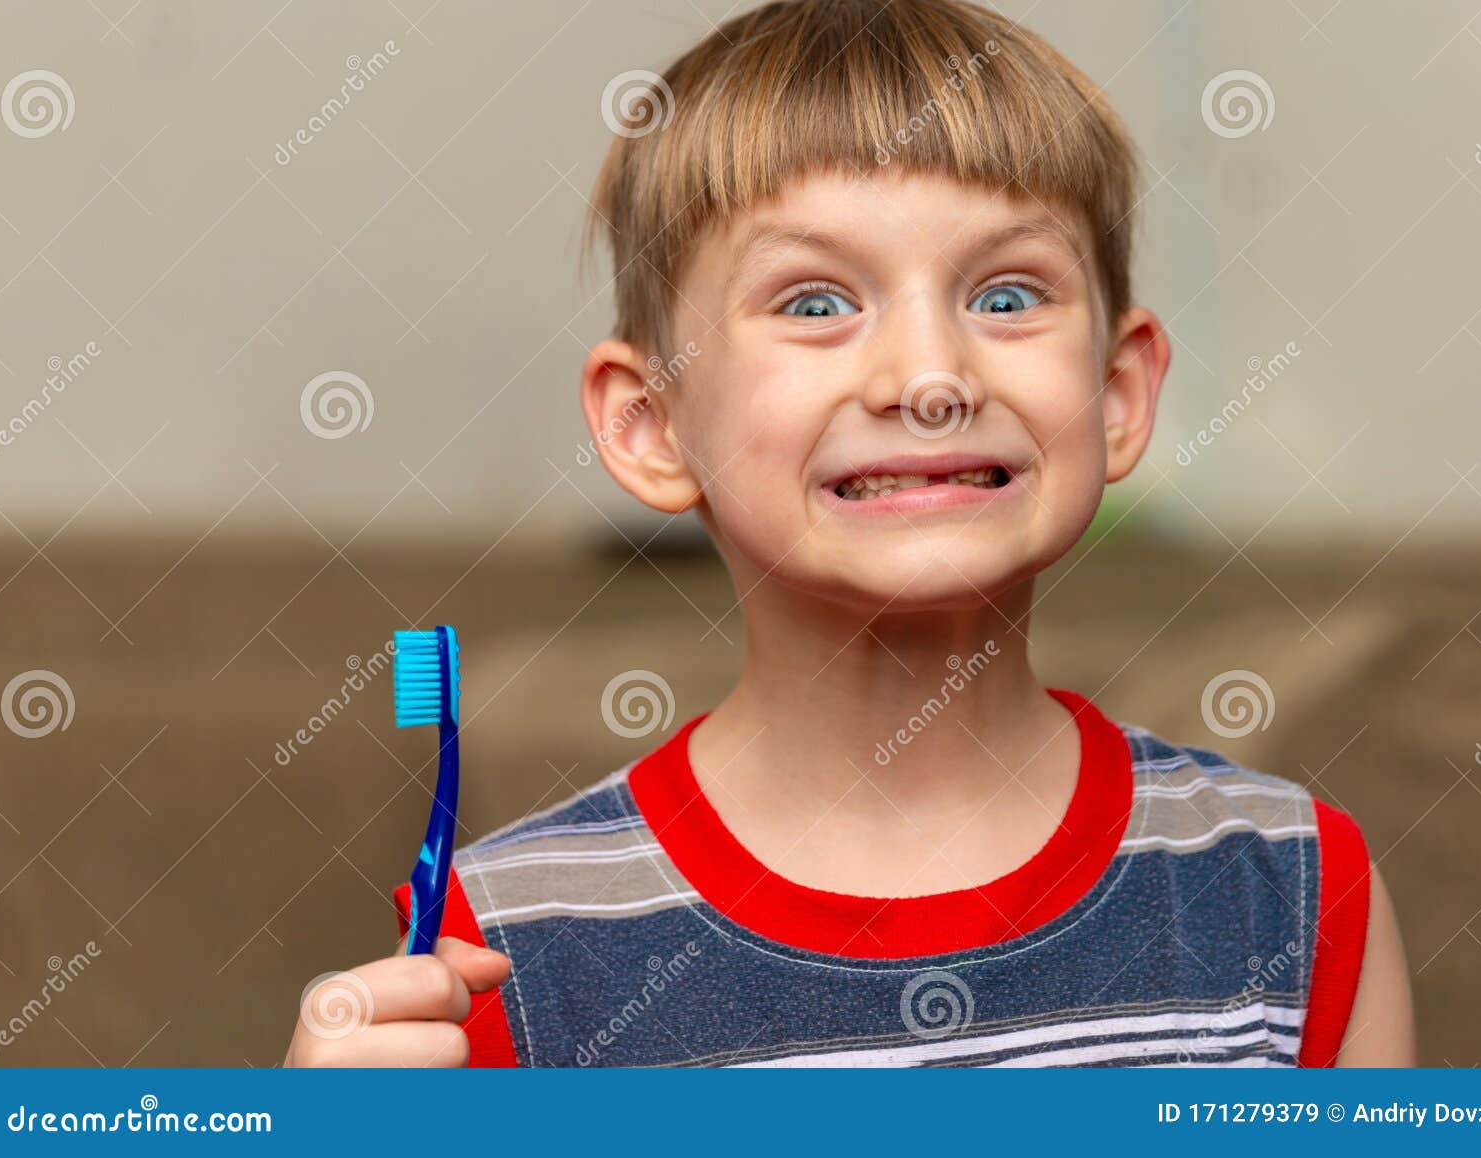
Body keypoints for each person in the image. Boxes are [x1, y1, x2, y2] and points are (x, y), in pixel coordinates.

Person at [285, 0, 1414, 1069]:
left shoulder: (1297, 894)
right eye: (816, 303)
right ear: (652, 425)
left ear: (1116, 396)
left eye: (1008, 296)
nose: (928, 378)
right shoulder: (500, 955)